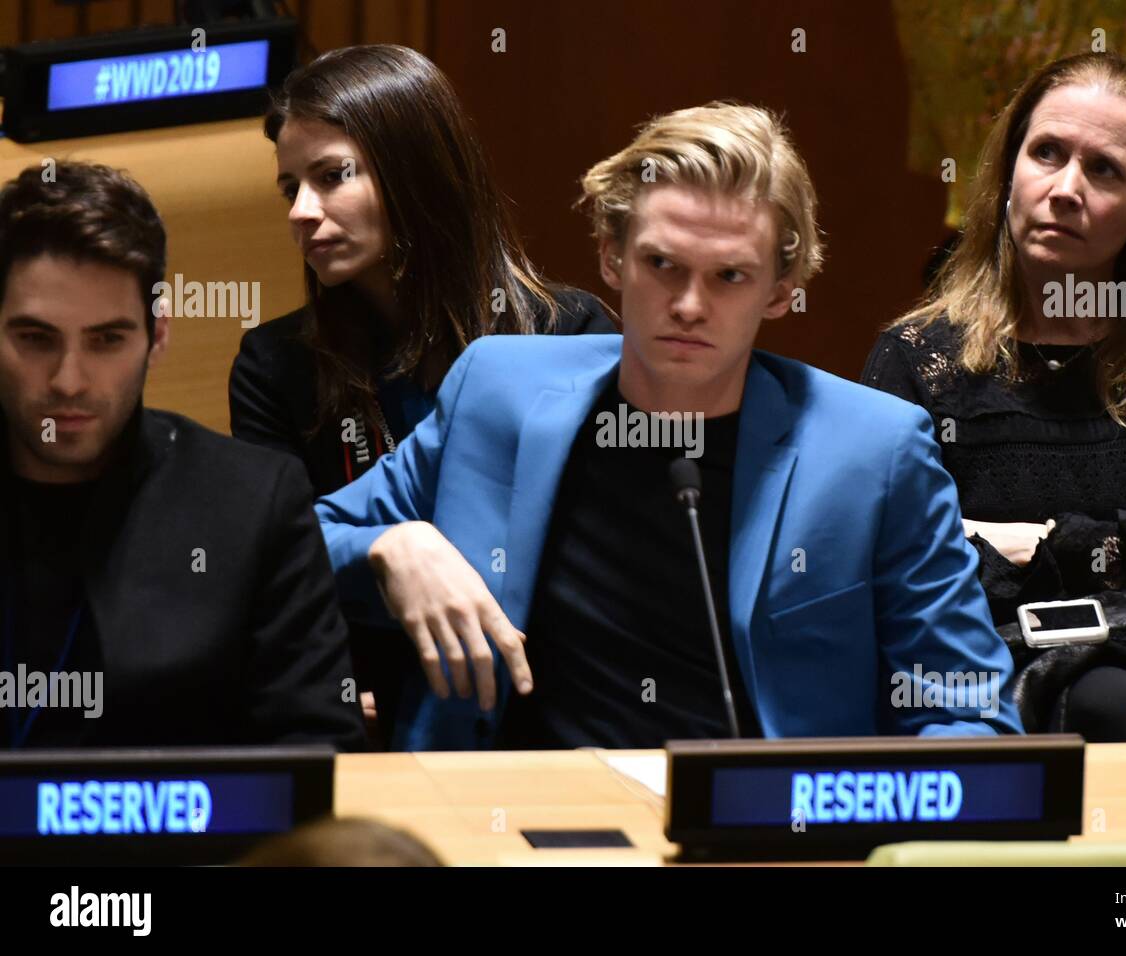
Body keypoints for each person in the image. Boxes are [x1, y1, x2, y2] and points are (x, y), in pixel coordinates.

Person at [314, 102, 1023, 750]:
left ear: (781, 291)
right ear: (611, 257)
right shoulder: (498, 390)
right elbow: (290, 545)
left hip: (758, 835)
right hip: (505, 816)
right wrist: (391, 544)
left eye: (729, 277)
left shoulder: (873, 451)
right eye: (662, 264)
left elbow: (970, 713)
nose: (688, 304)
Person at [862, 53, 1126, 741]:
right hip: (974, 674)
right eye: (1047, 154)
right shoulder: (919, 356)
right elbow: (890, 567)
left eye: (1104, 170)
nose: (1066, 188)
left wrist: (1050, 545)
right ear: (1009, 173)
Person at [228, 45, 613, 744]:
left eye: (332, 176)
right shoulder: (275, 362)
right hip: (364, 710)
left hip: (545, 704)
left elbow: (592, 560)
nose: (302, 213)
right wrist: (384, 546)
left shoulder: (566, 329)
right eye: (291, 188)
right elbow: (265, 556)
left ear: (416, 168)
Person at [0, 160, 365, 750]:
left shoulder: (253, 502)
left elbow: (315, 757)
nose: (69, 381)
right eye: (36, 339)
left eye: (107, 340)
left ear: (158, 334)